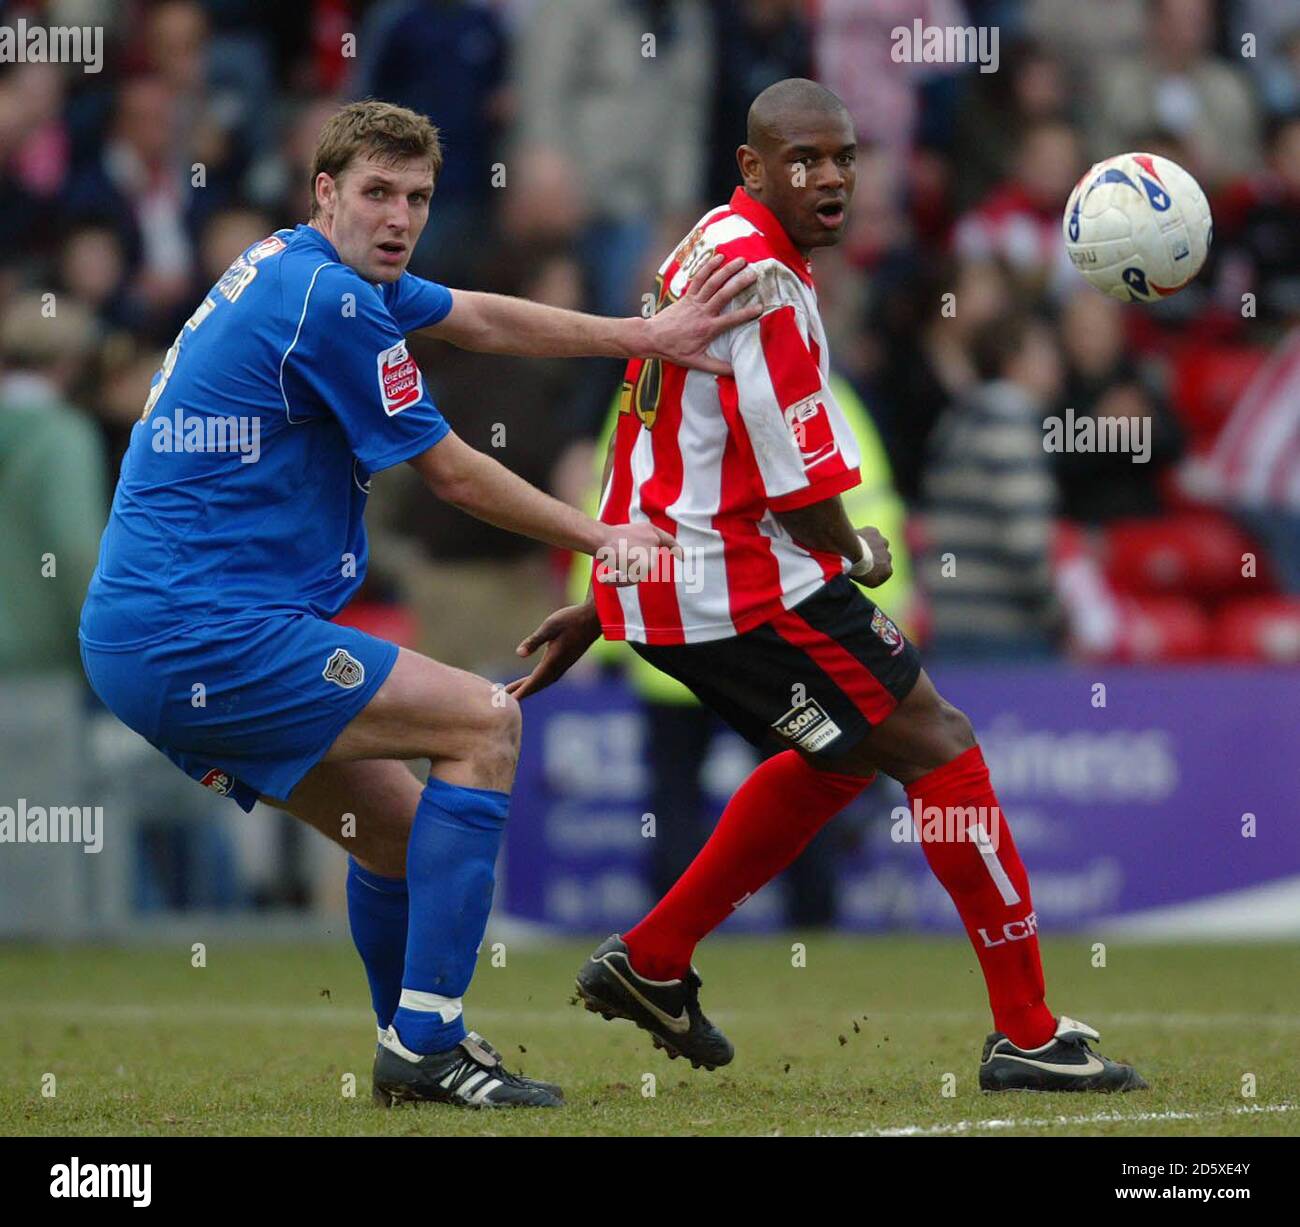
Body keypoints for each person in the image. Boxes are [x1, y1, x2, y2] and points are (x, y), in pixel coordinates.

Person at [78, 99, 759, 1110]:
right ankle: (431, 1042)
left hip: (157, 634)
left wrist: (640, 334)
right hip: (199, 632)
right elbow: (452, 474)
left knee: (399, 838)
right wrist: (602, 537)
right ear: (326, 192)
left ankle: (411, 1047)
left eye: (418, 197)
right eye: (376, 193)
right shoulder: (331, 303)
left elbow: (476, 316)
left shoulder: (299, 267)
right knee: (485, 722)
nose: (398, 217)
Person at [510, 79, 1146, 1093]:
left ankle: (654, 959)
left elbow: (650, 431)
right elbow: (800, 490)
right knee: (940, 743)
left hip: (681, 580)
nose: (830, 178)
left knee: (843, 756)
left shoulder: (707, 244)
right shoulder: (764, 281)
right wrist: (854, 552)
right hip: (743, 583)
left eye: (844, 158)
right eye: (802, 160)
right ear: (753, 167)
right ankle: (1027, 1032)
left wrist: (611, 590)